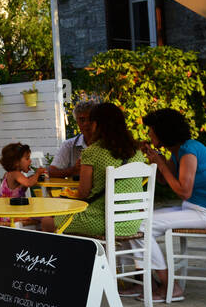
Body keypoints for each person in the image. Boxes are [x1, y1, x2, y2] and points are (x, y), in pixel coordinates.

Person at [140, 108, 206, 300]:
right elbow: (166, 180)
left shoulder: (189, 151)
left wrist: (162, 165)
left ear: (164, 132)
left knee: (141, 226)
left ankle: (170, 287)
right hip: (196, 209)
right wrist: (157, 161)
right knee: (139, 222)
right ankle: (150, 282)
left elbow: (183, 191)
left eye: (151, 130)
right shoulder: (179, 151)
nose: (148, 134)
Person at [42, 103, 148, 245]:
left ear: (97, 124)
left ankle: (68, 264)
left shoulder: (92, 152)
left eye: (90, 121)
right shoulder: (136, 152)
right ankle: (91, 260)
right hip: (132, 222)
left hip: (102, 222)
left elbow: (83, 193)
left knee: (47, 221)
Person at [48, 100, 98, 179]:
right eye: (82, 120)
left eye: (90, 119)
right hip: (75, 191)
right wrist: (73, 170)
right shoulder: (69, 145)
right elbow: (51, 172)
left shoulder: (107, 144)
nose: (86, 123)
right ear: (77, 122)